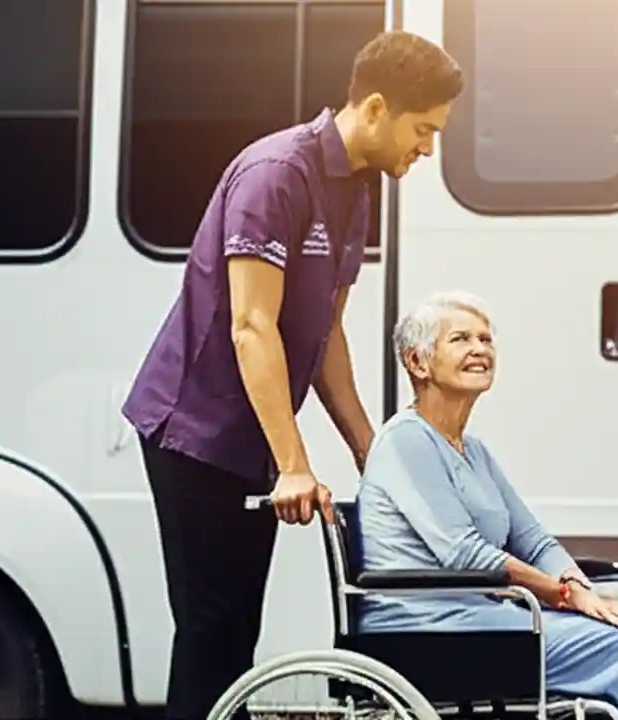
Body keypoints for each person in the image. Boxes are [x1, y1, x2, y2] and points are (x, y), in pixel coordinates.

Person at [120, 32, 464, 719]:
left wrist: (375, 451)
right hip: (194, 430)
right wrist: (294, 464)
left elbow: (325, 335)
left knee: (238, 628)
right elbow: (253, 326)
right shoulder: (275, 173)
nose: (427, 149)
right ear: (375, 108)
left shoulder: (356, 191)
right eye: (423, 130)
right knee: (211, 629)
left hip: (250, 433)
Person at [356, 291, 618, 719]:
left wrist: (582, 590)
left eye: (486, 339)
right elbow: (463, 552)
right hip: (431, 631)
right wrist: (565, 596)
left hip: (485, 620)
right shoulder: (405, 441)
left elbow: (534, 540)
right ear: (417, 363)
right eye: (461, 339)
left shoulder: (474, 450)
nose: (479, 349)